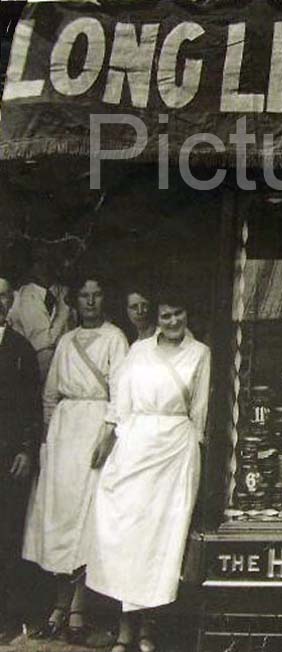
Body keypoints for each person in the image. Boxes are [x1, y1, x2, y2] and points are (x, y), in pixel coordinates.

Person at [87, 288, 210, 652]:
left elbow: (199, 413)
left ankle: (147, 631)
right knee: (128, 536)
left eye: (178, 314)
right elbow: (120, 404)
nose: (173, 322)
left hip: (174, 450)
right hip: (135, 446)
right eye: (165, 316)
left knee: (161, 541)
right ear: (155, 319)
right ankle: (125, 627)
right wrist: (109, 441)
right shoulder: (138, 351)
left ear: (187, 314)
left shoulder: (200, 353)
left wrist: (194, 455)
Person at [21, 274, 129, 643]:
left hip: (96, 432)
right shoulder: (66, 340)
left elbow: (122, 394)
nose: (90, 301)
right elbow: (51, 394)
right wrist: (49, 440)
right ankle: (58, 606)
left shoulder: (116, 339)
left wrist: (108, 435)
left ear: (105, 300)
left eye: (97, 295)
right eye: (84, 296)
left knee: (87, 520)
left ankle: (78, 611)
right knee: (60, 518)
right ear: (76, 301)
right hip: (65, 434)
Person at [0, 272, 41, 643]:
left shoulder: (20, 350)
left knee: (7, 536)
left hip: (7, 459)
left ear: (10, 301)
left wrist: (27, 450)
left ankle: (6, 620)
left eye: (2, 296)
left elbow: (33, 408)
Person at [8, 244, 73, 380]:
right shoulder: (18, 297)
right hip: (31, 374)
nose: (45, 266)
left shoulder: (69, 294)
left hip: (68, 371)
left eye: (49, 259)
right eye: (38, 260)